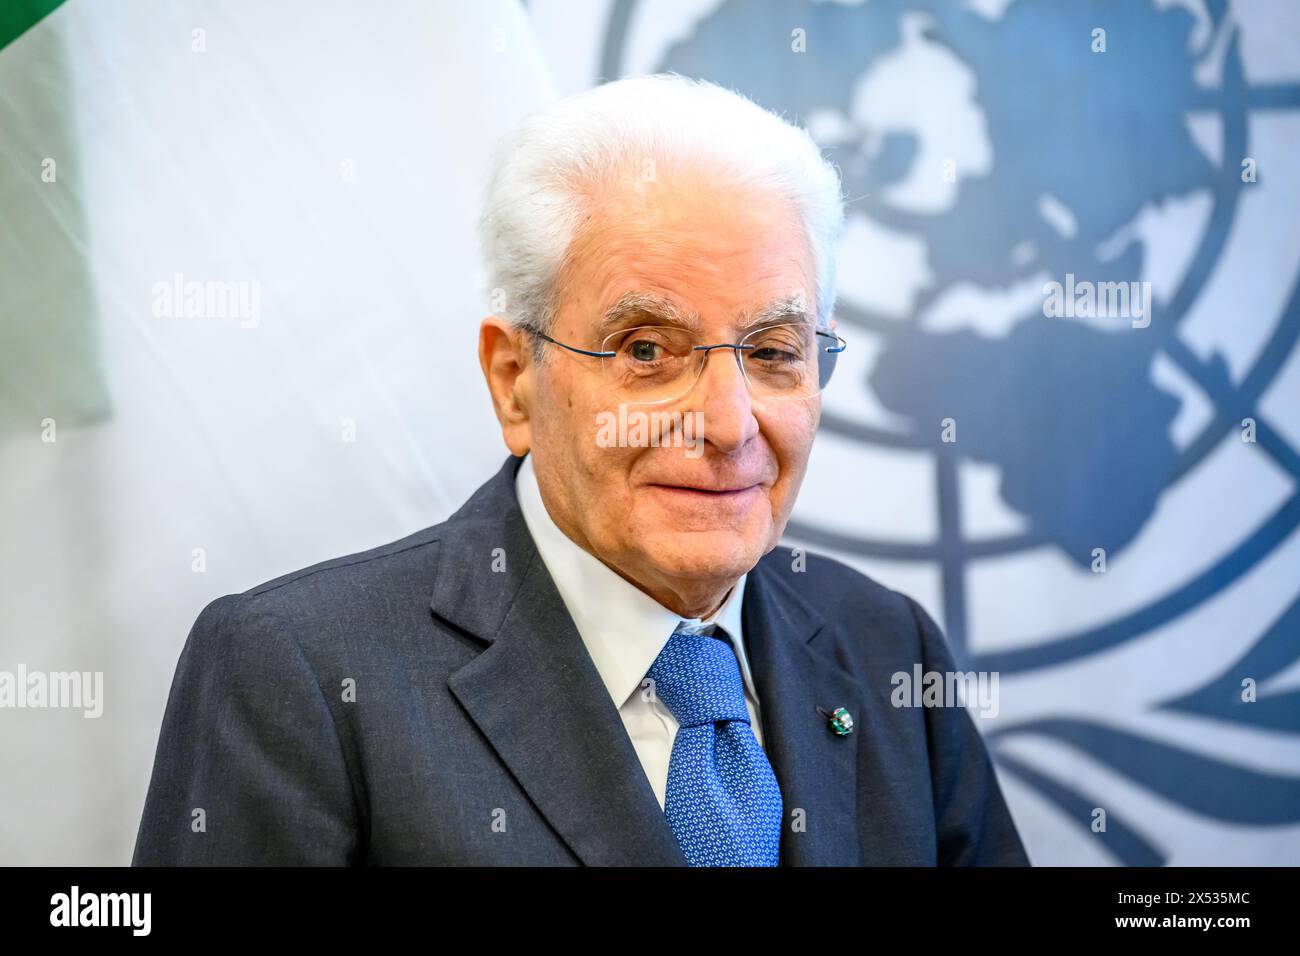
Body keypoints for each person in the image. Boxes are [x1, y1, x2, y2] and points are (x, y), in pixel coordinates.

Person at [133, 73, 1029, 866]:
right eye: (647, 349)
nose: (726, 423)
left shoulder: (887, 651)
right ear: (515, 382)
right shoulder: (298, 676)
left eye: (773, 351)